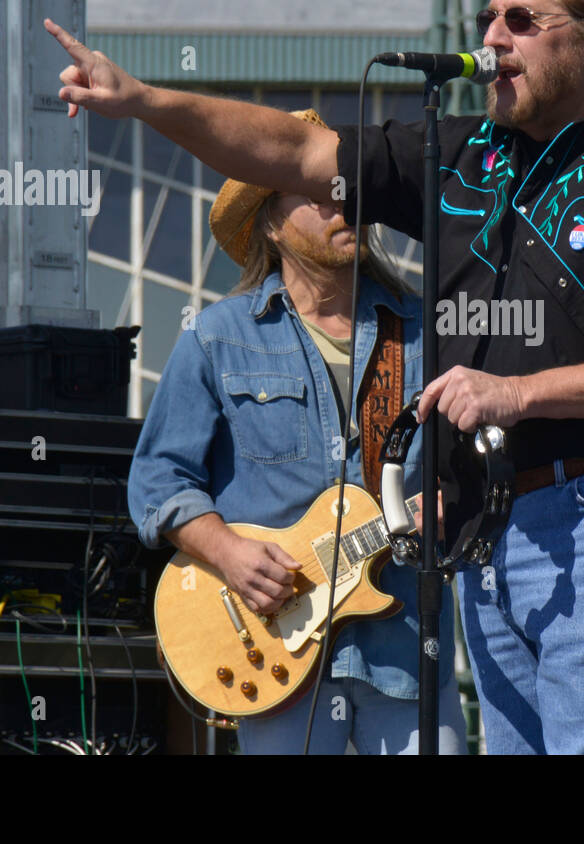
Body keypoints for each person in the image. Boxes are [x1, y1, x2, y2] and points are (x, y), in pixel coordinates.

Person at [50, 0, 584, 755]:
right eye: (488, 17)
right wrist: (142, 101)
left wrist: (516, 394)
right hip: (482, 530)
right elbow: (298, 153)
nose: (493, 37)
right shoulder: (464, 158)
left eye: (521, 20)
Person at [126, 109, 465, 754]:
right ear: (270, 224)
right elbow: (157, 480)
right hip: (269, 648)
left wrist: (458, 502)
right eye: (317, 194)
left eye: (350, 190)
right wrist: (227, 553)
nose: (343, 205)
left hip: (404, 651)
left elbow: (469, 466)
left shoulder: (430, 333)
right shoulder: (216, 336)